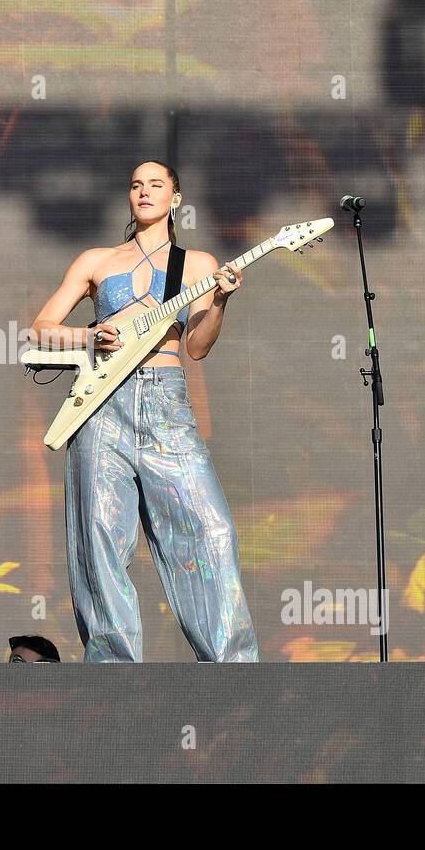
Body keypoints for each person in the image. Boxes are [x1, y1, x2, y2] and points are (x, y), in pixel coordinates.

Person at [27, 160, 259, 663]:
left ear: (175, 197)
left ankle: (235, 669)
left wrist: (219, 302)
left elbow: (197, 347)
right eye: (136, 185)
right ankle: (113, 673)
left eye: (157, 184)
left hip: (165, 400)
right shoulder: (96, 260)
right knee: (102, 536)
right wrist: (88, 335)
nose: (145, 192)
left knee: (211, 530)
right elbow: (41, 327)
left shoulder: (195, 264)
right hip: (103, 406)